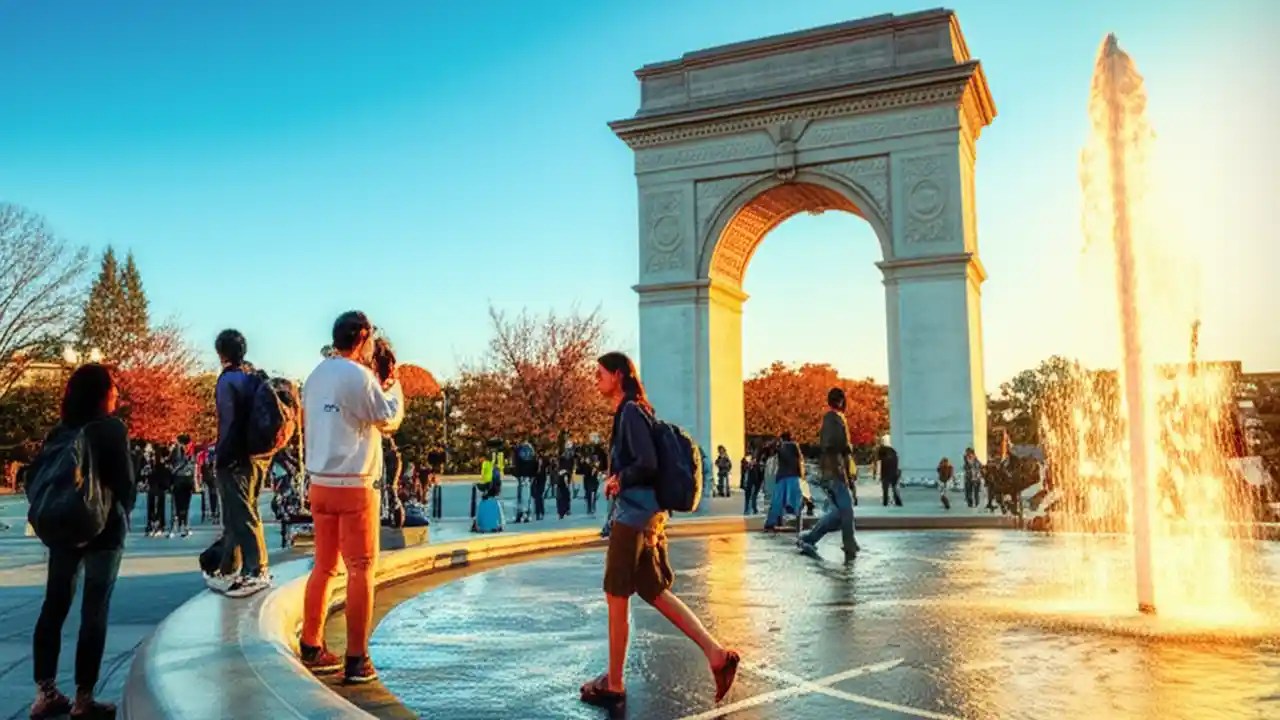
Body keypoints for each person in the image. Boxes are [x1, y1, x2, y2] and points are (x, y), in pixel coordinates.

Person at [579, 352, 739, 709]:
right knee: (654, 591)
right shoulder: (640, 411)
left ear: (618, 375)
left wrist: (621, 478)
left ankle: (615, 683)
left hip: (633, 517)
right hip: (649, 516)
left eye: (600, 373)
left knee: (615, 594)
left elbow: (647, 463)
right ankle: (716, 655)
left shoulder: (631, 412)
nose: (596, 379)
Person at [298, 311, 404, 685]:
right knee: (360, 568)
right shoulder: (358, 376)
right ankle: (357, 658)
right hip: (355, 483)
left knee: (324, 565)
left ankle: (311, 643)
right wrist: (391, 382)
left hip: (320, 482)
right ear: (362, 337)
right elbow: (388, 417)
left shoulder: (315, 376)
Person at [30, 364, 137, 720]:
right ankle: (83, 698)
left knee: (54, 604)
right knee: (94, 610)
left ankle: (45, 693)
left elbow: (38, 476)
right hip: (103, 529)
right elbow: (125, 483)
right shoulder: (110, 429)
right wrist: (124, 511)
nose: (117, 394)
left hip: (63, 526)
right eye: (114, 388)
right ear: (102, 394)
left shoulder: (61, 431)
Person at [205, 329, 273, 597]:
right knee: (239, 512)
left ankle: (257, 570)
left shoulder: (228, 381)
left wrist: (221, 457)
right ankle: (229, 567)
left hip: (235, 456)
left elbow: (228, 422)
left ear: (221, 353)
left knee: (242, 514)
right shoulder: (253, 377)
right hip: (258, 456)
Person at [797, 388, 860, 560]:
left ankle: (810, 538)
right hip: (835, 471)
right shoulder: (834, 419)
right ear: (841, 401)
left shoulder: (831, 419)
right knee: (846, 510)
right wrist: (847, 447)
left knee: (839, 514)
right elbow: (836, 444)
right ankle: (849, 544)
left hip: (833, 471)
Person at [765, 432, 805, 531]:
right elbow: (800, 460)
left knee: (777, 501)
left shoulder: (780, 447)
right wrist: (802, 475)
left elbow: (769, 450)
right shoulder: (795, 446)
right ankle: (798, 522)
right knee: (796, 501)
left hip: (782, 476)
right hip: (794, 476)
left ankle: (771, 522)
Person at [170, 434, 196, 537]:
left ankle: (183, 524)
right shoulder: (178, 452)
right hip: (181, 480)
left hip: (184, 480)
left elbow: (193, 466)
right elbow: (175, 465)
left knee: (183, 504)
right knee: (180, 503)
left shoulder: (188, 452)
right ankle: (181, 524)